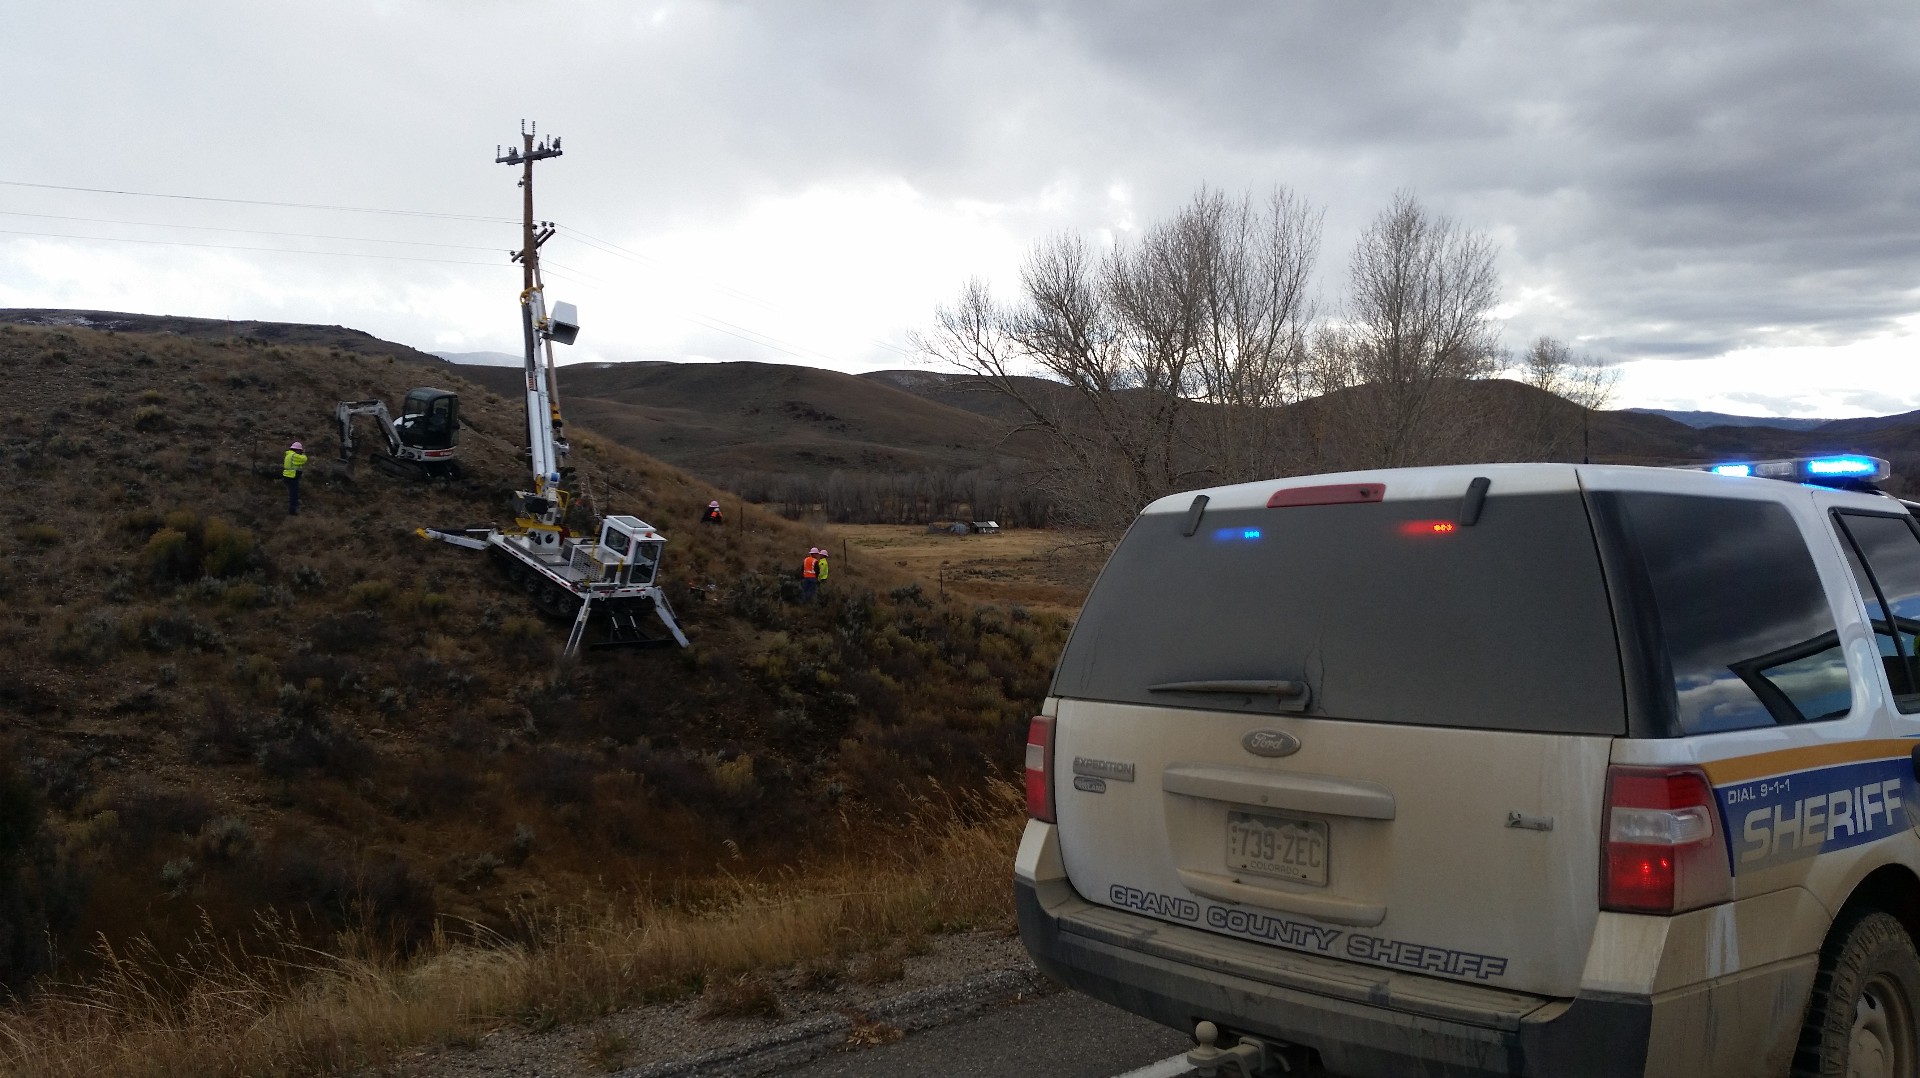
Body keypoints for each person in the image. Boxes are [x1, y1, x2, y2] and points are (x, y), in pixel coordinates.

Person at [283, 440, 308, 516]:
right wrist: (304, 453)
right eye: (300, 451)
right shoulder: (294, 456)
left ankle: (292, 509)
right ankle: (292, 511)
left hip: (288, 476)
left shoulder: (288, 455)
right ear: (297, 450)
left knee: (292, 494)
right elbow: (304, 459)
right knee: (294, 495)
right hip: (292, 477)